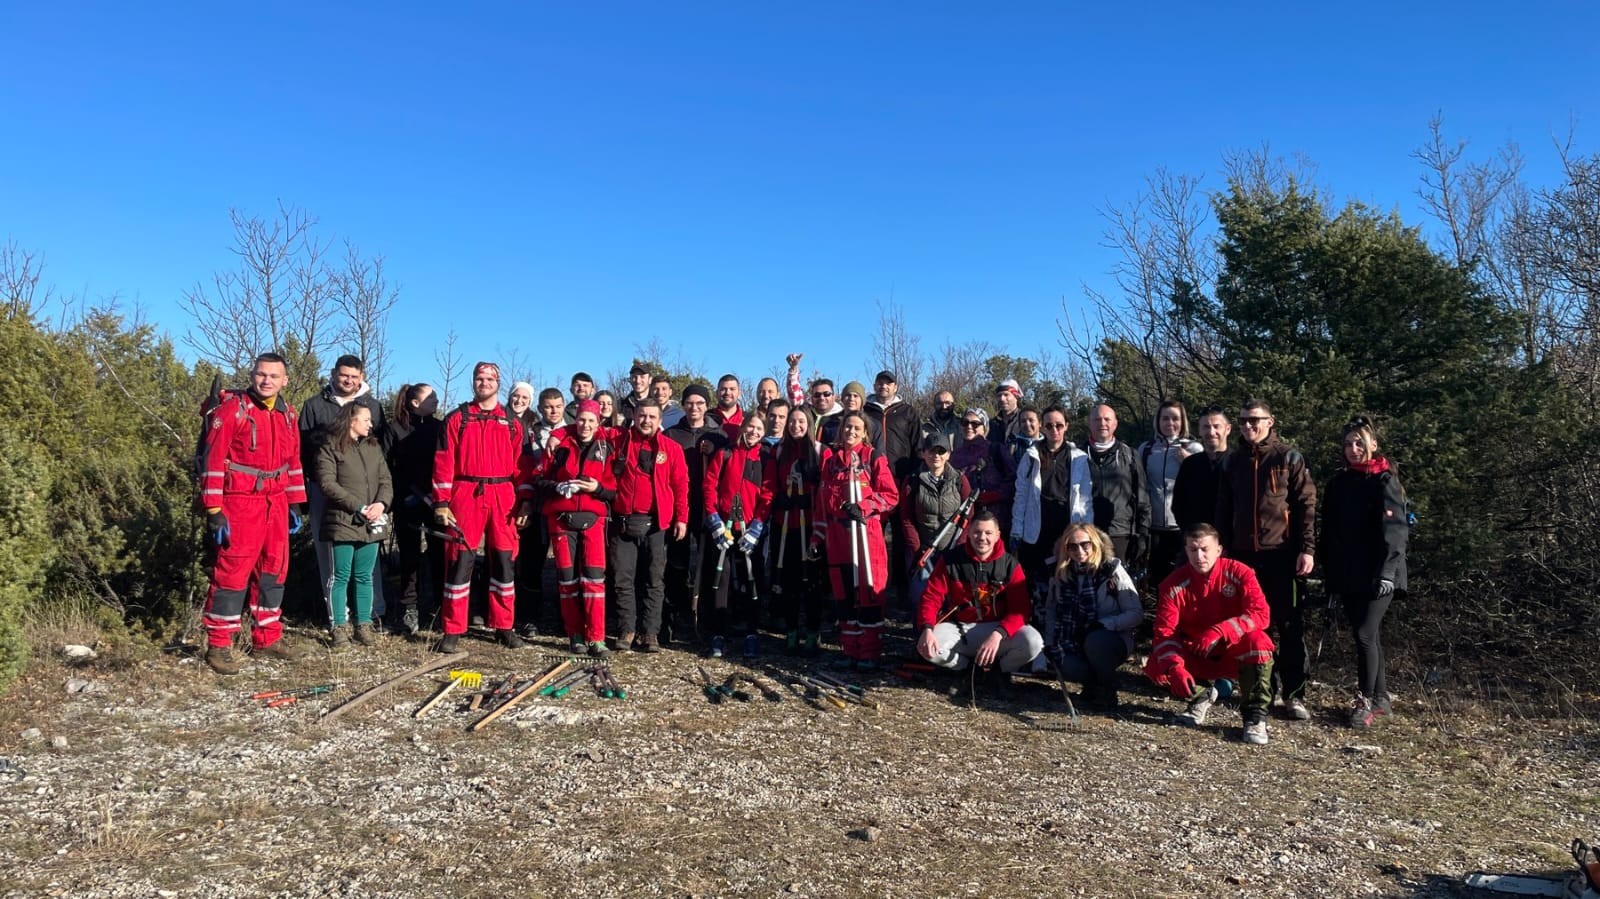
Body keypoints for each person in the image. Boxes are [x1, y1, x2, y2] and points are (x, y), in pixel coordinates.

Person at [198, 353, 308, 674]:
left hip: (276, 501)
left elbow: (294, 461)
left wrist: (295, 502)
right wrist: (214, 509)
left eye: (274, 376)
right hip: (239, 501)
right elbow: (213, 460)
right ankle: (219, 644)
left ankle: (267, 638)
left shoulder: (288, 414)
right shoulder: (234, 410)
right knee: (233, 572)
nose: (266, 381)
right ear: (252, 375)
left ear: (284, 380)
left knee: (274, 569)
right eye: (261, 374)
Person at [1216, 399, 1317, 720]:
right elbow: (1223, 511)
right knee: (1254, 627)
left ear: (1270, 422)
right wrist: (1222, 553)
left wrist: (1307, 549)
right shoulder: (1232, 462)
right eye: (1243, 420)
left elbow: (1306, 507)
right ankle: (1263, 691)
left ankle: (1295, 694)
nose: (1248, 426)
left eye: (1255, 420)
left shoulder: (1288, 458)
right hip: (1244, 558)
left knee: (1290, 626)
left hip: (1283, 556)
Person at [1145, 523, 1276, 745]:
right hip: (1196, 653)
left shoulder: (1240, 572)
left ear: (1219, 550)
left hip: (1232, 652)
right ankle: (1200, 696)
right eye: (1193, 550)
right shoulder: (1172, 584)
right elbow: (1165, 632)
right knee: (1158, 664)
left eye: (1205, 549)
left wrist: (1221, 630)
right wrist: (1175, 667)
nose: (1199, 556)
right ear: (1185, 551)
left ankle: (1255, 716)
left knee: (1260, 642)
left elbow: (1260, 615)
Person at [433, 361, 530, 653]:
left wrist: (525, 499)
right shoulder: (457, 419)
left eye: (489, 379)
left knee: (504, 560)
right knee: (459, 561)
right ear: (473, 382)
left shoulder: (513, 423)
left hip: (503, 495)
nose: (484, 383)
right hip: (466, 493)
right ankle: (453, 628)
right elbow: (443, 461)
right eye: (479, 378)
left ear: (498, 384)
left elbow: (523, 467)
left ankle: (504, 625)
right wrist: (441, 501)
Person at [1319, 416, 1408, 728]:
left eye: (1359, 443)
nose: (1353, 449)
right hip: (1348, 573)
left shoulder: (1385, 481)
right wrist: (1330, 574)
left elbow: (1395, 532)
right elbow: (1329, 531)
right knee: (1368, 635)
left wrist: (1387, 573)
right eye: (1348, 444)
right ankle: (1381, 697)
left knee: (1364, 633)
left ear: (1373, 445)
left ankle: (1365, 700)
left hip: (1380, 575)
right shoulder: (1339, 483)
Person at [299, 354, 387, 627]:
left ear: (361, 377)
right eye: (343, 375)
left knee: (367, 555)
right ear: (334, 374)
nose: (348, 380)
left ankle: (371, 614)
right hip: (324, 489)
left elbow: (379, 449)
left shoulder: (372, 406)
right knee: (331, 555)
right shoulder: (315, 405)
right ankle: (337, 616)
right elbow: (302, 448)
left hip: (366, 493)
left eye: (353, 376)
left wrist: (380, 499)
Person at [534, 398, 618, 657]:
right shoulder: (560, 446)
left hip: (594, 519)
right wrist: (557, 487)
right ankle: (575, 635)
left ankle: (597, 637)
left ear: (598, 422)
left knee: (594, 579)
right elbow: (539, 478)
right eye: (581, 419)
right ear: (575, 420)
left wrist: (597, 489)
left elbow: (615, 489)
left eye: (591, 420)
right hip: (561, 519)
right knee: (567, 580)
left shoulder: (607, 447)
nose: (585, 425)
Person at [814, 411, 899, 668]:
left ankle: (869, 652)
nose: (850, 432)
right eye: (846, 427)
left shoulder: (873, 459)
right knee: (844, 594)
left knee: (868, 592)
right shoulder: (831, 462)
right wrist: (817, 537)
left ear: (865, 433)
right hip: (838, 537)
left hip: (866, 534)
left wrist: (863, 506)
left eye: (856, 428)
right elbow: (821, 503)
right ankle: (850, 650)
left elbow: (890, 496)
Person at [915, 509, 1043, 675]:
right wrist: (927, 628)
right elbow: (931, 597)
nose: (982, 538)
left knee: (1033, 642)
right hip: (960, 628)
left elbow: (1020, 610)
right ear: (968, 533)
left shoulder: (1010, 565)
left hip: (997, 629)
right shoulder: (950, 561)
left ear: (997, 535)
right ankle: (967, 669)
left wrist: (998, 634)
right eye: (977, 532)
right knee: (928, 646)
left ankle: (997, 671)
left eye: (988, 533)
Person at [607, 399, 689, 653]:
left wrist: (682, 518)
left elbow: (680, 485)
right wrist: (556, 435)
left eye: (652, 417)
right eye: (642, 415)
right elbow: (584, 429)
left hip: (656, 524)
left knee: (655, 579)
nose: (646, 421)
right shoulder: (619, 441)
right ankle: (626, 629)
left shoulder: (671, 449)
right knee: (623, 578)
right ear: (634, 415)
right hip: (623, 522)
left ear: (660, 420)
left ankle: (650, 632)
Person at [314, 401, 393, 647]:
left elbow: (385, 479)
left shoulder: (373, 446)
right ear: (351, 420)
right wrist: (357, 506)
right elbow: (327, 483)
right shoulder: (329, 447)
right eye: (366, 419)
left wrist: (381, 503)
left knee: (364, 576)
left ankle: (363, 624)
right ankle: (338, 626)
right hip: (343, 521)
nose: (371, 424)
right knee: (340, 576)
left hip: (371, 523)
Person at [1041, 524, 1141, 708]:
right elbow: (1051, 611)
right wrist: (1048, 643)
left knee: (1096, 641)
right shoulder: (1058, 572)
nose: (1079, 551)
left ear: (1094, 544)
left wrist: (1105, 624)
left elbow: (1135, 614)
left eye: (1085, 544)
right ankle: (1092, 685)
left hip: (1111, 638)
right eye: (1072, 546)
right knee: (1066, 664)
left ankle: (1107, 689)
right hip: (1072, 638)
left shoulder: (1111, 570)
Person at [702, 413, 774, 657]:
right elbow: (709, 485)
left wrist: (757, 526)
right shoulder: (725, 453)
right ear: (742, 427)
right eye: (750, 426)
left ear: (763, 432)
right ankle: (719, 633)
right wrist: (714, 519)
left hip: (750, 529)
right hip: (724, 527)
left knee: (751, 580)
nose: (753, 431)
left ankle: (751, 632)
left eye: (758, 428)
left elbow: (768, 493)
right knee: (722, 580)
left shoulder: (765, 457)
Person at [663, 384, 727, 642]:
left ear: (706, 405)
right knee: (676, 563)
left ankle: (703, 615)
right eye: (690, 402)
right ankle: (674, 613)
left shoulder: (719, 434)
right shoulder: (671, 434)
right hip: (679, 505)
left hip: (707, 508)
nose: (695, 407)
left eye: (700, 403)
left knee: (705, 563)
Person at [383, 383, 443, 638]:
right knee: (409, 556)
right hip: (406, 502)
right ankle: (409, 607)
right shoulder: (394, 428)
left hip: (436, 502)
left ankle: (441, 606)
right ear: (415, 402)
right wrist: (400, 495)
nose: (436, 400)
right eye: (431, 397)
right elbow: (384, 466)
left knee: (439, 554)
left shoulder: (439, 427)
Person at [1014, 405, 1091, 588]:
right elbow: (1021, 495)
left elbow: (1085, 499)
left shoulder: (1078, 458)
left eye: (1059, 425)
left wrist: (1087, 531)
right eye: (1049, 426)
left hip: (1067, 527)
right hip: (1038, 528)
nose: (1054, 430)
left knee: (1067, 580)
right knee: (1039, 582)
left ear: (1067, 426)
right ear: (1042, 427)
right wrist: (1017, 529)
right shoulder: (1031, 456)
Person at [770, 406, 826, 654]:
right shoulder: (779, 450)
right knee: (789, 581)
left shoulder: (820, 451)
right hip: (786, 525)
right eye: (792, 422)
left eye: (801, 421)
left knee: (812, 581)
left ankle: (813, 632)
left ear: (809, 424)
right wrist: (779, 500)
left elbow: (827, 487)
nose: (796, 426)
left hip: (812, 525)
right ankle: (791, 631)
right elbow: (771, 483)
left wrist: (811, 499)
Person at [899, 431, 971, 610]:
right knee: (921, 596)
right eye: (931, 451)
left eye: (941, 451)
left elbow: (968, 515)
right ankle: (921, 634)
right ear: (923, 453)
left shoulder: (960, 480)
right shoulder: (912, 481)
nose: (936, 456)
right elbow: (906, 517)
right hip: (923, 549)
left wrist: (960, 545)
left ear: (948, 454)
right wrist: (917, 549)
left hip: (952, 549)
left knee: (951, 596)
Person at [1139, 401, 1204, 587]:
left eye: (1175, 418)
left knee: (1185, 579)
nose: (1170, 423)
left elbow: (1202, 486)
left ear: (1182, 421)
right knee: (1158, 579)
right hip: (1154, 526)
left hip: (1181, 527)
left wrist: (1189, 464)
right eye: (1165, 418)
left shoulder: (1194, 449)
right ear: (1157, 421)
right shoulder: (1146, 449)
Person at [1086, 404, 1151, 567]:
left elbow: (1143, 498)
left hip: (1120, 534)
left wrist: (1142, 533)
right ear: (1090, 423)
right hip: (1086, 534)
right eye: (1097, 419)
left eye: (1107, 419)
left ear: (1115, 423)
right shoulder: (1078, 455)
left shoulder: (1129, 455)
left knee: (1118, 588)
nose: (1102, 423)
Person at [948, 408, 1017, 537]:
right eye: (965, 423)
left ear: (985, 427)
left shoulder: (996, 450)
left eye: (975, 424)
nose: (969, 426)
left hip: (996, 520)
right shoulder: (954, 455)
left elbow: (1014, 480)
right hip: (963, 521)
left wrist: (996, 495)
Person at [1172, 405, 1232, 531]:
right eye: (1206, 427)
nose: (1211, 432)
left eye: (1216, 426)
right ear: (1199, 430)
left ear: (1228, 429)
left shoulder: (1238, 462)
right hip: (1197, 540)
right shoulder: (1190, 464)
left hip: (1232, 541)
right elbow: (1178, 503)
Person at [822, 382, 881, 447]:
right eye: (848, 395)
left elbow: (879, 451)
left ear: (862, 401)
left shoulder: (874, 425)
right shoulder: (829, 422)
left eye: (856, 396)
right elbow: (823, 450)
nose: (851, 399)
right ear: (843, 399)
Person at [991, 378, 1022, 444]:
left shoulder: (1024, 420)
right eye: (999, 395)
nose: (1002, 399)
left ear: (1016, 397)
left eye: (1006, 395)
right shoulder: (991, 424)